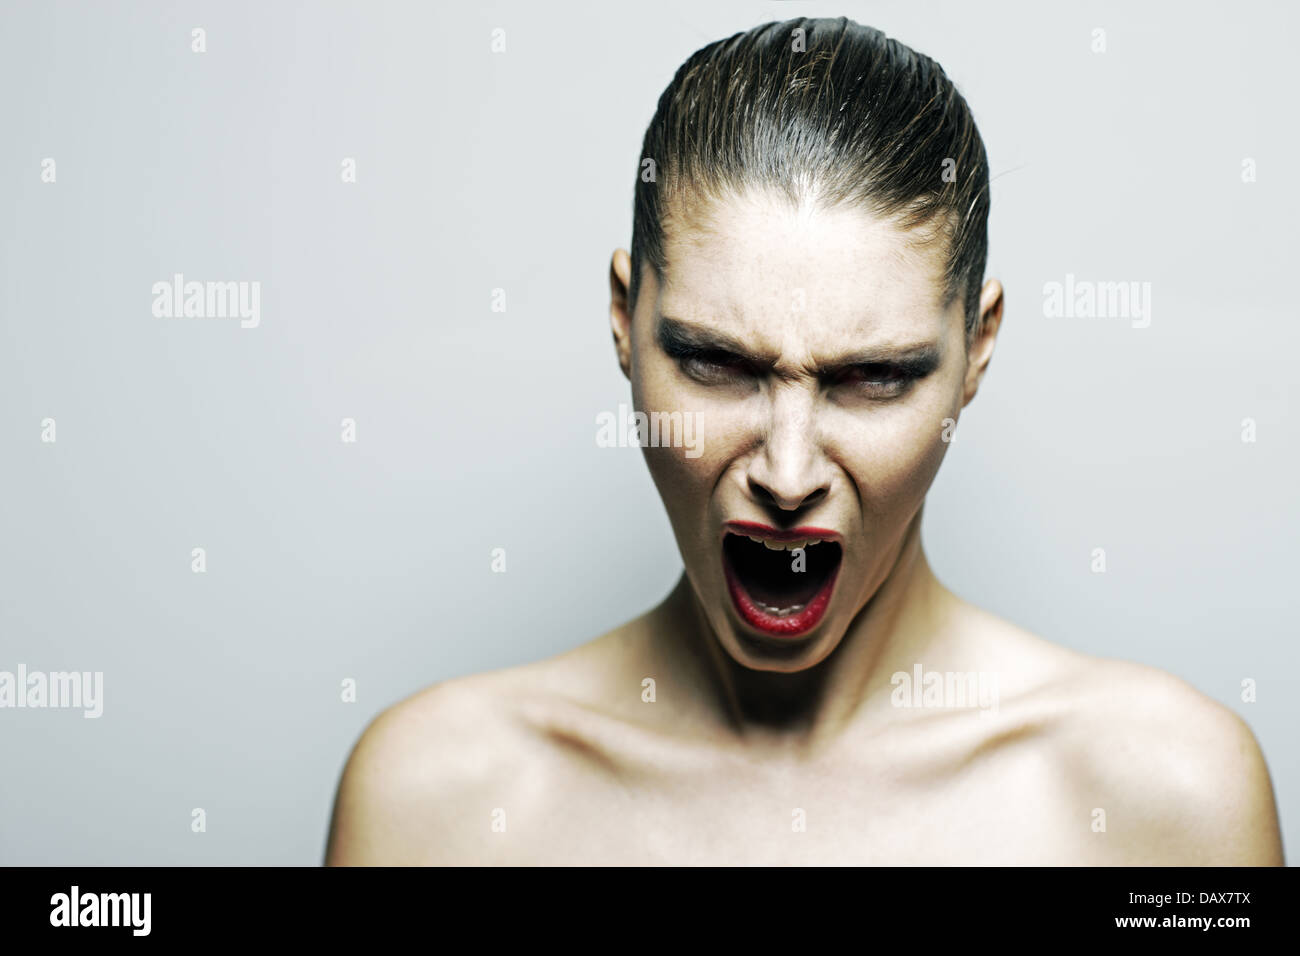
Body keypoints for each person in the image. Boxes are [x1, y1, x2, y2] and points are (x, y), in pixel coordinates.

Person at [325, 16, 1283, 865]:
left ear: (976, 349)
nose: (787, 474)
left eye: (874, 378)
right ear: (624, 318)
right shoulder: (438, 803)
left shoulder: (1162, 802)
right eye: (715, 363)